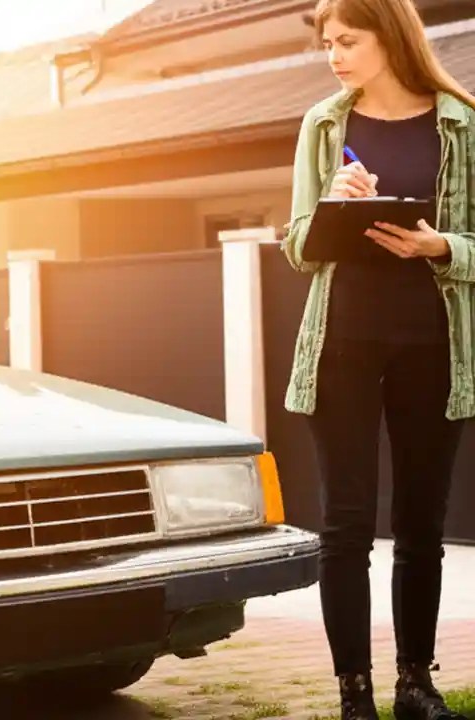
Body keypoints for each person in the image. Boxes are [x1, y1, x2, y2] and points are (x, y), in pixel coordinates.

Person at [280, 1, 475, 718]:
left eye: (347, 40)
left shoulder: (461, 122)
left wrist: (443, 247)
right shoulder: (323, 125)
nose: (333, 54)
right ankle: (354, 692)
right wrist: (333, 205)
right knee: (347, 525)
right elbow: (300, 245)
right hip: (343, 344)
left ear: (390, 37)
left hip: (433, 343)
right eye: (326, 43)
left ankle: (415, 685)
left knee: (422, 524)